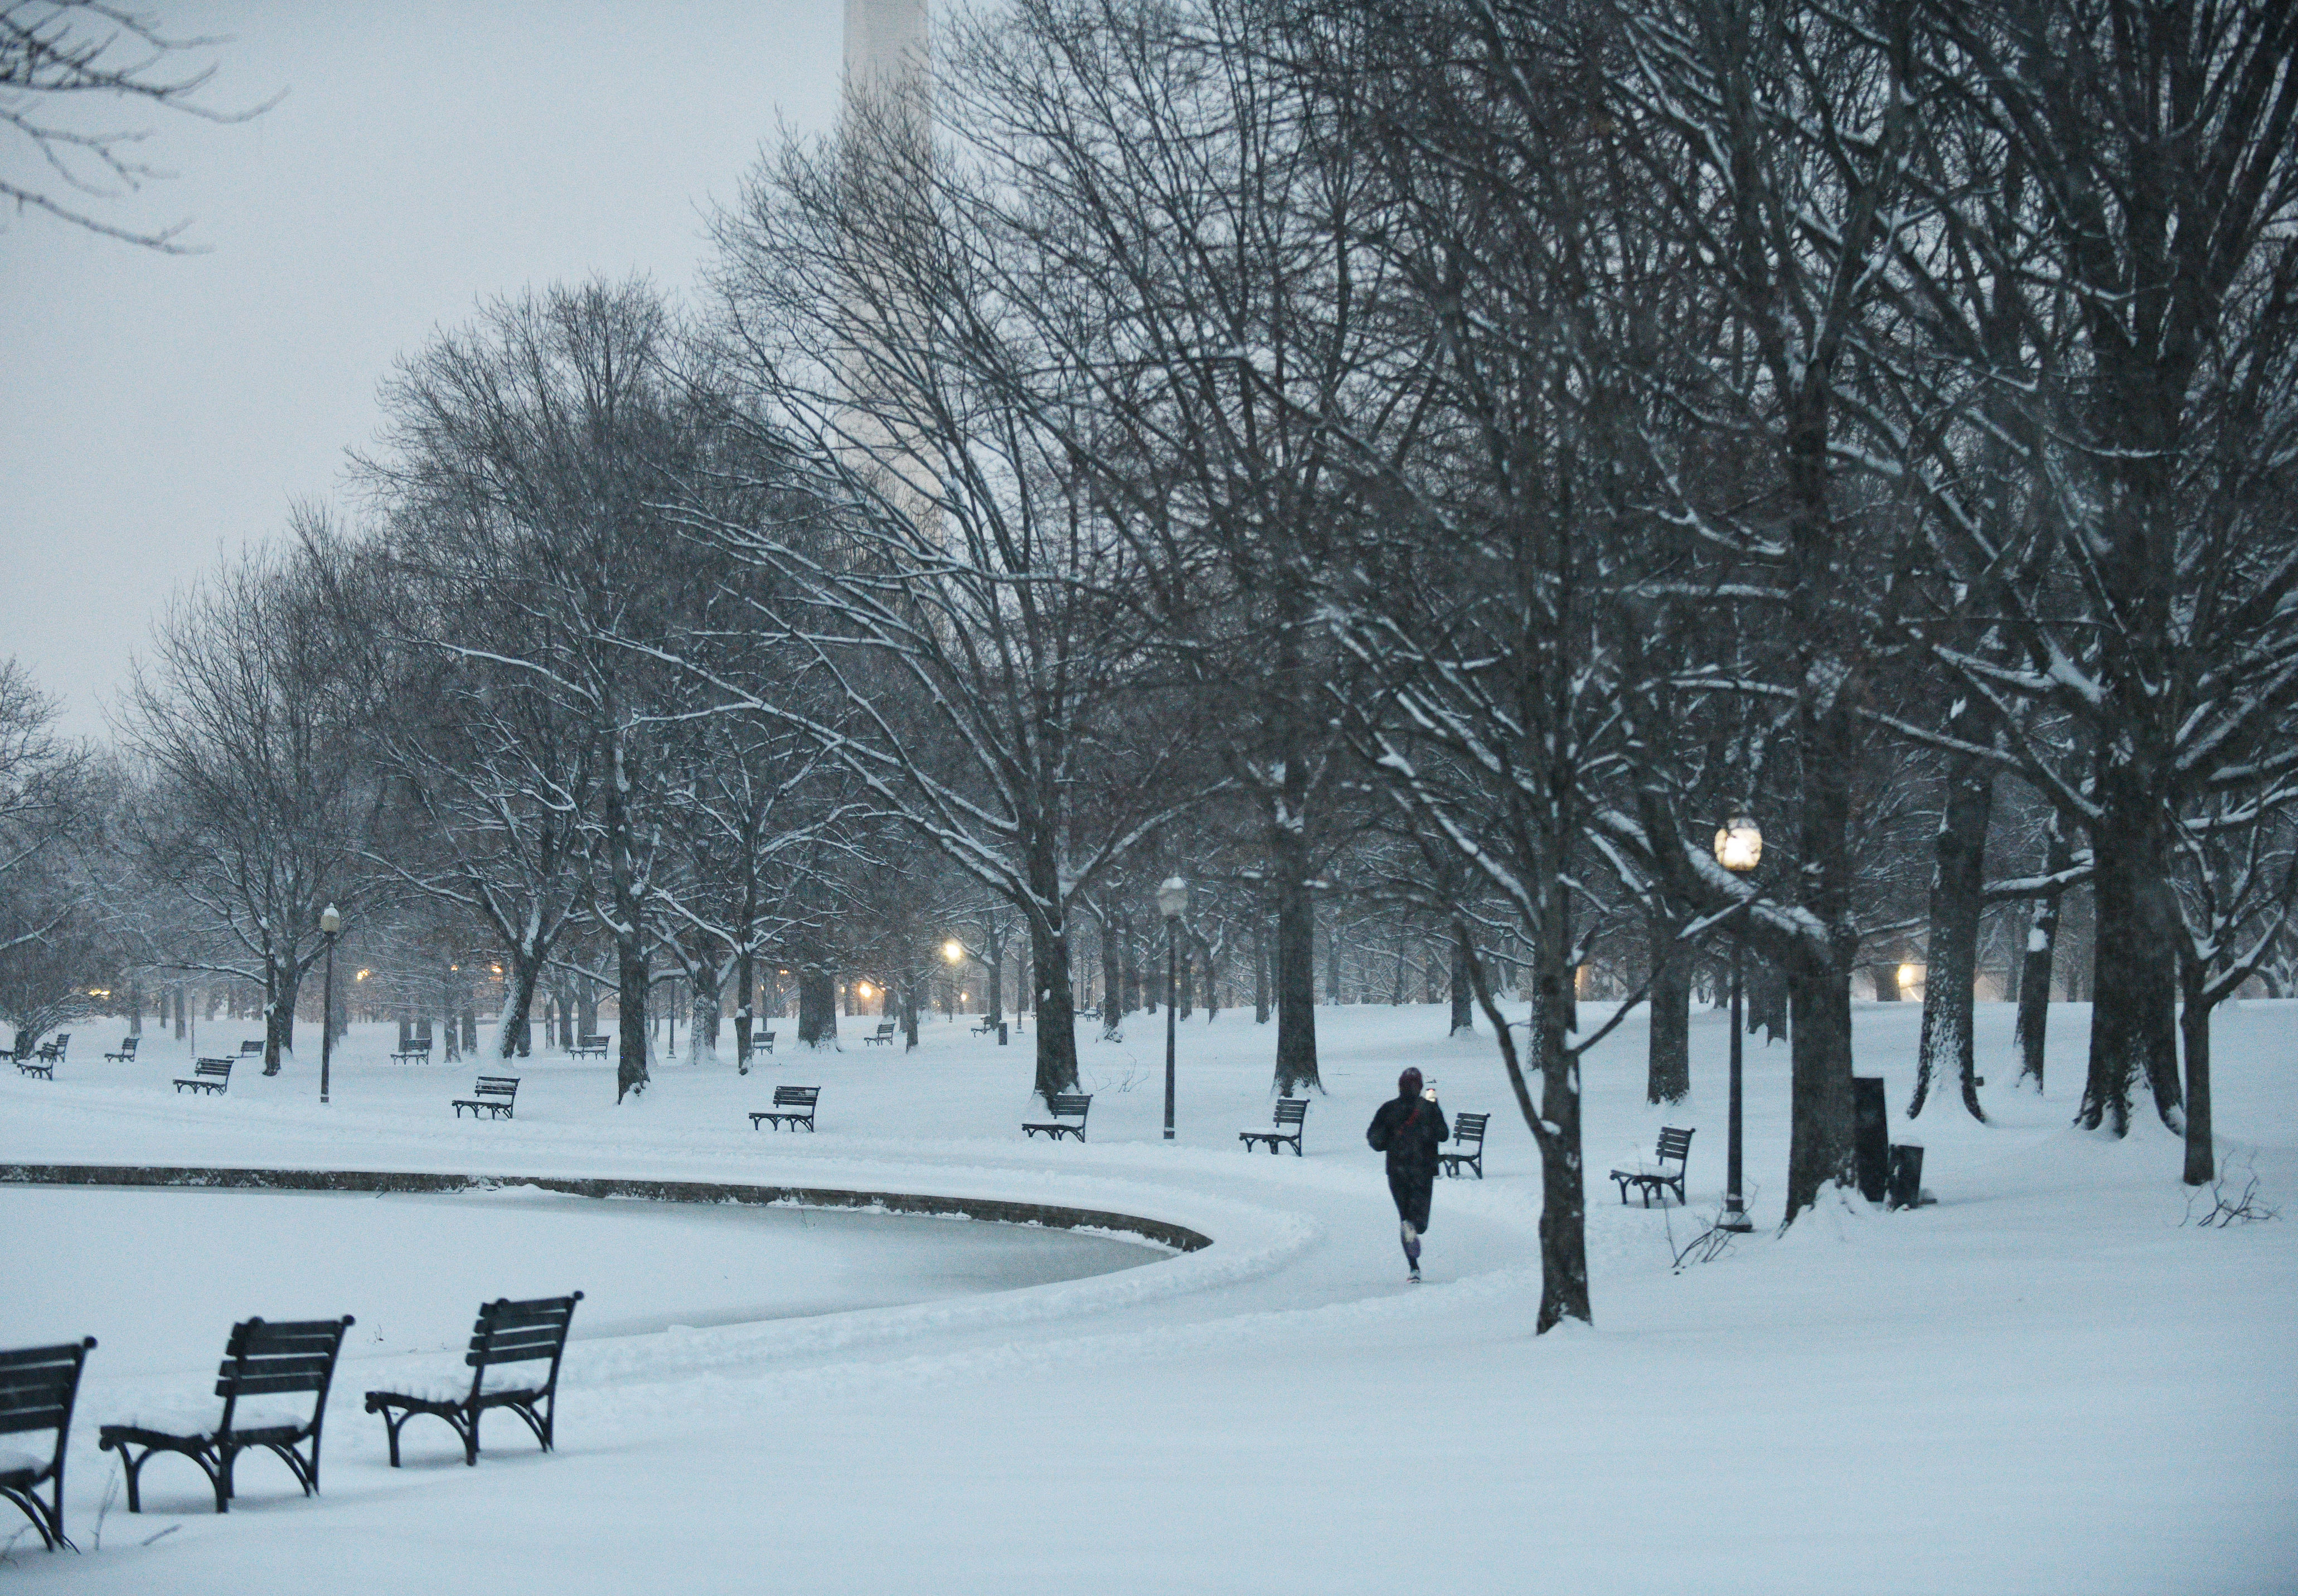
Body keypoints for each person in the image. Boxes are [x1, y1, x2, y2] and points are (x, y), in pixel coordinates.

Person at [1366, 1066, 1448, 1281]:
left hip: (1397, 1172)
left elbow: (1375, 1141)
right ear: (1420, 1086)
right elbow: (1444, 1134)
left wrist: (1391, 1140)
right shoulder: (1428, 1107)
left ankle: (1414, 1267)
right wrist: (1434, 1108)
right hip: (1423, 1171)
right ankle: (1413, 1259)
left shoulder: (1389, 1109)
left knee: (1406, 1219)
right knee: (1419, 1223)